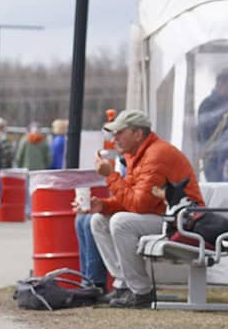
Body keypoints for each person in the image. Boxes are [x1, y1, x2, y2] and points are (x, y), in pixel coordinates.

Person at [75, 109, 203, 309]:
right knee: (98, 219)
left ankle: (141, 291)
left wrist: (110, 176)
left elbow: (139, 205)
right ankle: (124, 285)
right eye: (114, 133)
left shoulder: (156, 154)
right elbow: (133, 198)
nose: (115, 138)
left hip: (185, 221)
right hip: (166, 217)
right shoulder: (138, 154)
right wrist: (102, 205)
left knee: (120, 222)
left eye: (120, 133)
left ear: (138, 134)